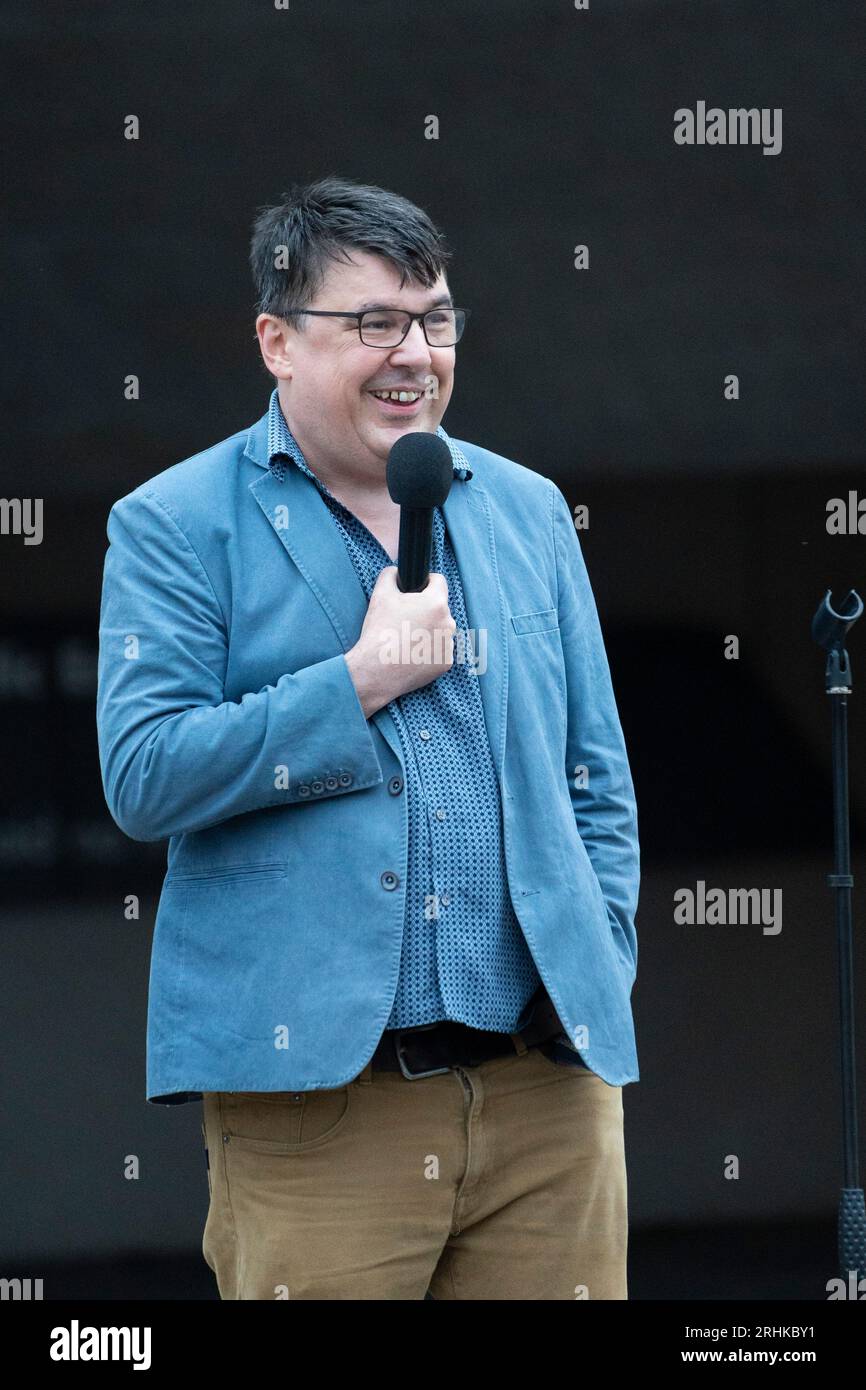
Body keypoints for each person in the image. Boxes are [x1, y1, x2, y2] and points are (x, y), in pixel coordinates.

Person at [96, 176, 640, 1300]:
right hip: (321, 1105)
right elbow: (143, 774)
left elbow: (597, 773)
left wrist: (605, 954)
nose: (415, 353)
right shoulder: (175, 524)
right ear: (276, 342)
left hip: (548, 1094)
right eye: (373, 324)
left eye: (433, 318)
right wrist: (355, 684)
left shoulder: (527, 507)